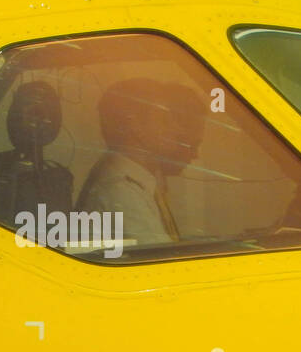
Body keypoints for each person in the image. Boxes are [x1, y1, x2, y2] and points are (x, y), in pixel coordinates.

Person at [76, 77, 206, 247]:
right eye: (164, 119)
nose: (175, 128)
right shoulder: (120, 191)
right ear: (135, 125)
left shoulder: (135, 184)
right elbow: (163, 263)